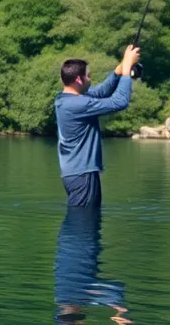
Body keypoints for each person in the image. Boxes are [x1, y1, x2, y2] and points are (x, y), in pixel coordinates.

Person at [54, 45, 141, 207]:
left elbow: (101, 92)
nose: (90, 79)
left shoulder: (64, 99)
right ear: (79, 79)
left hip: (77, 173)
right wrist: (128, 69)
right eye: (88, 76)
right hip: (82, 174)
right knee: (84, 222)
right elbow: (119, 102)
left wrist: (119, 70)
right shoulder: (78, 104)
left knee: (84, 222)